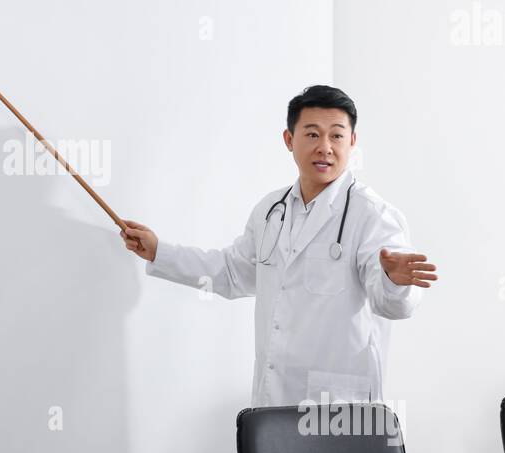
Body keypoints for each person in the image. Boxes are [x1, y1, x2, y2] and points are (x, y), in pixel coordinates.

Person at [120, 85, 436, 405]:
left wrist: (393, 279)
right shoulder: (272, 211)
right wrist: (159, 251)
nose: (325, 147)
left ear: (352, 142)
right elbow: (232, 272)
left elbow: (394, 305)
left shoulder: (373, 215)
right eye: (312, 134)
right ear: (289, 140)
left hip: (339, 409)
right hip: (275, 397)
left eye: (337, 136)